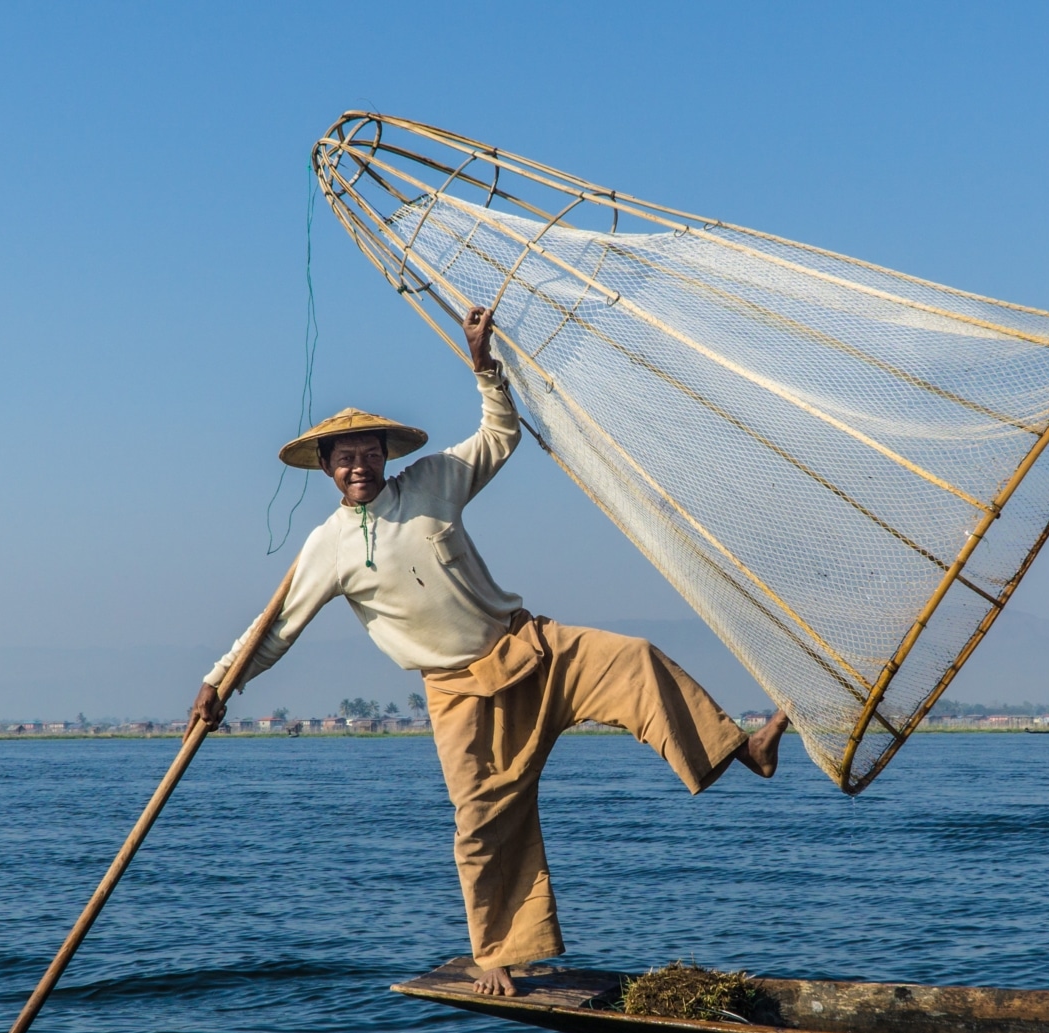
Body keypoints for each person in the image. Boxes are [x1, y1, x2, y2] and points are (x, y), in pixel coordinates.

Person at [192, 306, 789, 997]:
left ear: (387, 456)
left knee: (636, 659)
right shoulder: (326, 547)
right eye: (344, 456)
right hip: (457, 693)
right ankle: (497, 954)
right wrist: (218, 683)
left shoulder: (434, 481)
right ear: (326, 468)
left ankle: (743, 749)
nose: (358, 464)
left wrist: (485, 371)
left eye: (368, 452)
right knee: (481, 822)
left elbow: (499, 437)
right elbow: (273, 631)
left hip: (529, 648)